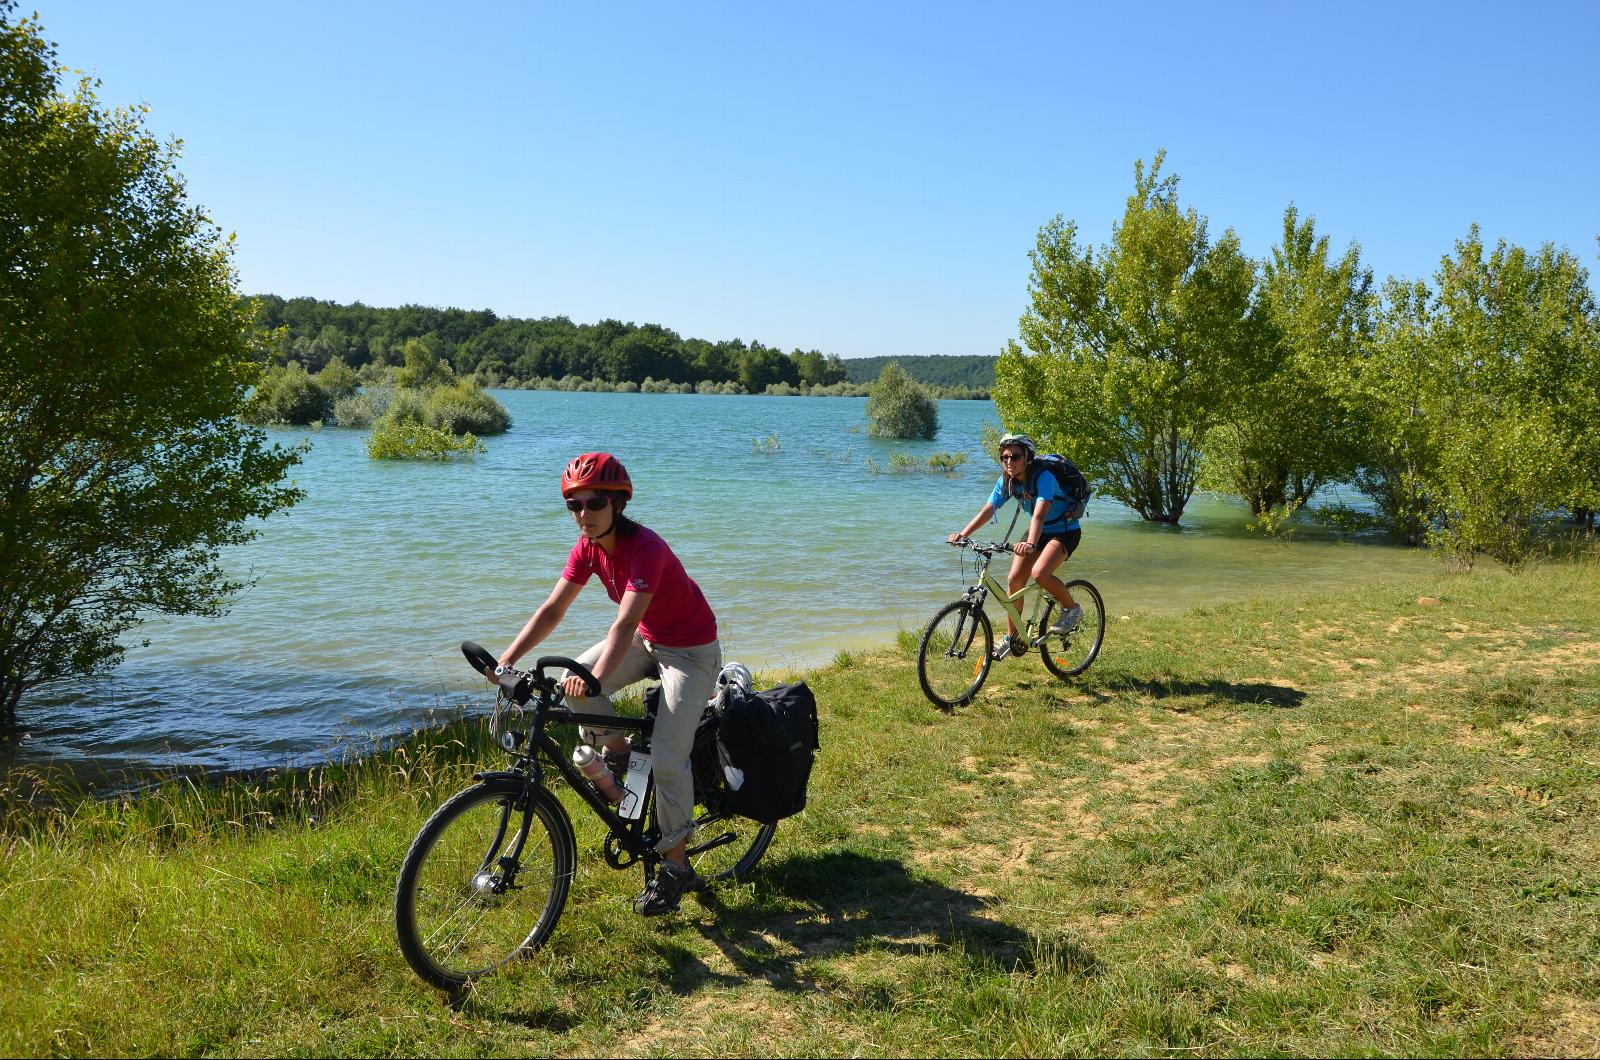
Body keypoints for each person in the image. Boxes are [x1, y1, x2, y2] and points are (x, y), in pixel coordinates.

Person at [486, 452, 721, 916]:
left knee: (670, 758)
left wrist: (590, 677)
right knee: (569, 692)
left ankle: (676, 867)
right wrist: (506, 661)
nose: (583, 515)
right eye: (573, 506)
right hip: (647, 639)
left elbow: (622, 624)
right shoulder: (587, 547)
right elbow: (553, 610)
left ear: (618, 503)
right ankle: (620, 758)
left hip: (691, 651)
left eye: (593, 504)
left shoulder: (646, 548)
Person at [949, 432, 1083, 659]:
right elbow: (989, 509)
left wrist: (1029, 543)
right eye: (1004, 457)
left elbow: (1039, 515)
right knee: (1014, 580)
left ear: (1027, 457)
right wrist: (963, 534)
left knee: (1040, 573)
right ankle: (1013, 639)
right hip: (1037, 533)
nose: (1009, 462)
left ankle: (1072, 609)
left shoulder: (1044, 477)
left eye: (1015, 456)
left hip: (1064, 531)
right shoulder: (1006, 481)